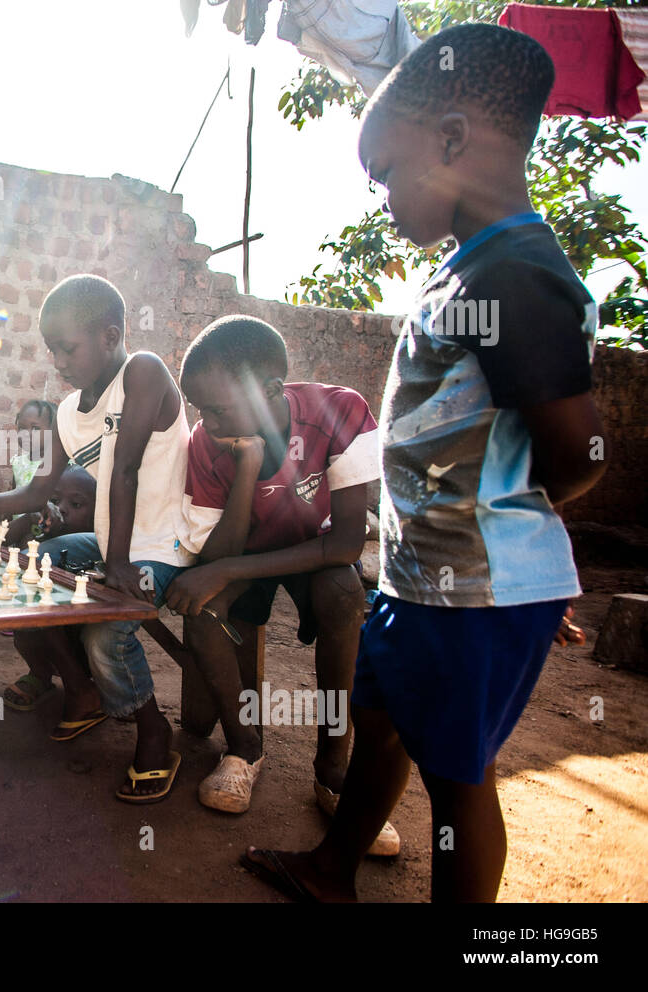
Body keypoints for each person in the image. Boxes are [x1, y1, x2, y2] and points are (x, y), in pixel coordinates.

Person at [241, 24, 606, 903]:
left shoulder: (516, 277)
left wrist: (516, 570)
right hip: (422, 583)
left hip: (473, 592)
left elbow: (574, 454)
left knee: (456, 778)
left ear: (450, 139)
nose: (383, 198)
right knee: (378, 720)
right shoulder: (465, 269)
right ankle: (334, 871)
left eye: (387, 174)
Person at [0, 275, 195, 803]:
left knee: (106, 631)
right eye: (51, 350)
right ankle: (82, 691)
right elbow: (38, 490)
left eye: (67, 348)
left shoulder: (144, 372)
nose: (58, 361)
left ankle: (153, 729)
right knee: (29, 571)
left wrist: (116, 565)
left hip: (164, 547)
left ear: (110, 336)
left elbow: (128, 468)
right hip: (112, 543)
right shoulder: (69, 412)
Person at [164, 315, 400, 856]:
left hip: (314, 555)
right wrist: (245, 464)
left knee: (343, 592)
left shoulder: (339, 411)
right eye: (198, 408)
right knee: (201, 610)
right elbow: (220, 553)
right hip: (246, 550)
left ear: (270, 390)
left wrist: (226, 572)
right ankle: (245, 750)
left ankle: (333, 771)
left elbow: (344, 544)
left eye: (217, 408)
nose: (205, 420)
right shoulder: (207, 442)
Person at [2, 465, 97, 712]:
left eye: (76, 505)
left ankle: (103, 687)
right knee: (30, 616)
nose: (61, 509)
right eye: (54, 500)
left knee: (102, 639)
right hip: (44, 641)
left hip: (87, 645)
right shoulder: (39, 539)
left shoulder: (102, 551)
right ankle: (39, 675)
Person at [11, 399, 57, 487]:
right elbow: (13, 495)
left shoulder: (58, 467)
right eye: (21, 428)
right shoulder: (18, 464)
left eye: (35, 428)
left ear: (54, 431)